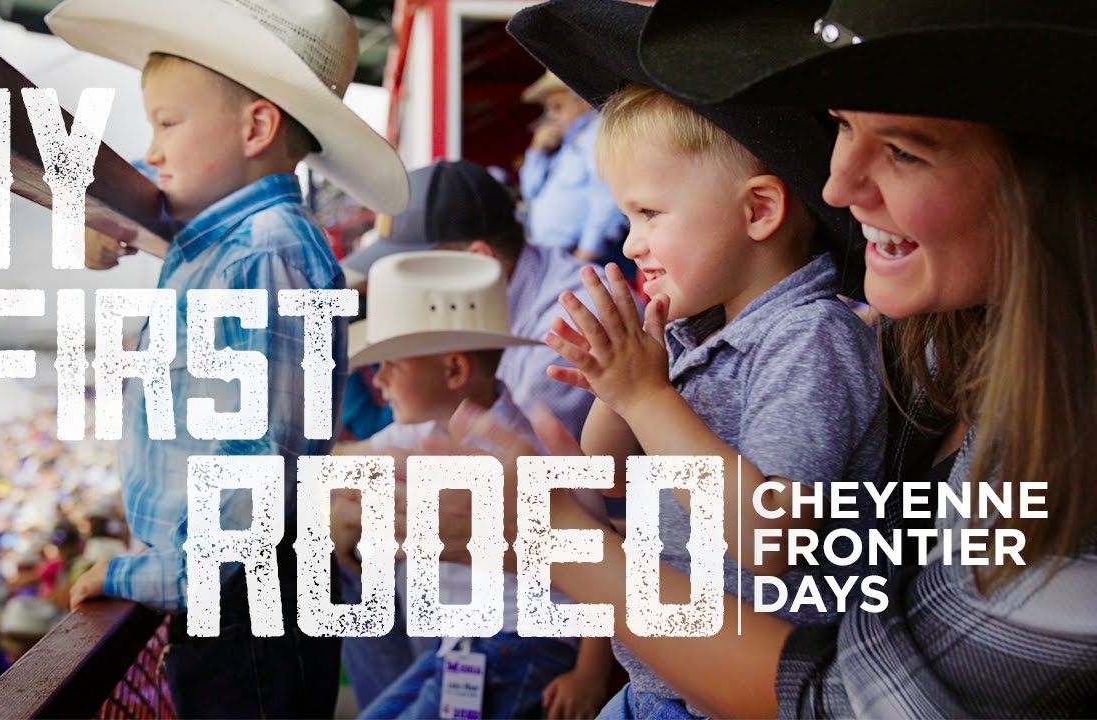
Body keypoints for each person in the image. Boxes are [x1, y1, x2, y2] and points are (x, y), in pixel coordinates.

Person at [425, 0, 1097, 717]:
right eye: (838, 124)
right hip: (666, 679)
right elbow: (610, 467)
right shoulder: (912, 347)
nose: (835, 186)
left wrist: (584, 487)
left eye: (905, 149)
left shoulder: (813, 338)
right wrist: (617, 387)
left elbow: (786, 577)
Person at [46, 0, 408, 716]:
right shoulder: (250, 240)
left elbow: (251, 465)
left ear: (255, 127)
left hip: (239, 591)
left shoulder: (263, 252)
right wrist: (104, 225)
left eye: (168, 123)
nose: (151, 149)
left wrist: (146, 575)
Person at [335, 250, 586, 720]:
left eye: (390, 364)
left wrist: (590, 673)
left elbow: (594, 554)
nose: (379, 379)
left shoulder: (522, 448)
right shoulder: (425, 432)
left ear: (454, 370)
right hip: (463, 645)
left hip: (522, 642)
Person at [341, 160, 608, 442]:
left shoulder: (574, 324)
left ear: (478, 259)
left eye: (412, 270)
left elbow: (512, 452)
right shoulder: (515, 291)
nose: (395, 288)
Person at [519, 72, 629, 268]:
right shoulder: (566, 144)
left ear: (583, 102)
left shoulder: (596, 133)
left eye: (558, 107)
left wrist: (585, 255)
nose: (551, 116)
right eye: (548, 109)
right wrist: (536, 152)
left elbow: (608, 198)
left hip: (588, 259)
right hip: (564, 258)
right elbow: (530, 192)